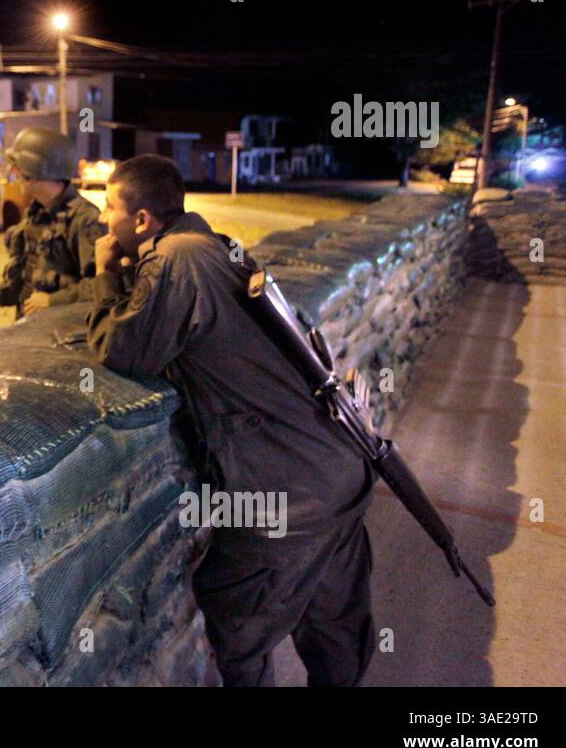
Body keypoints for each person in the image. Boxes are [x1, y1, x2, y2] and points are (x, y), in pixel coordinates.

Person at [86, 153, 376, 686]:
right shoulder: (220, 247)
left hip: (288, 495)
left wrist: (105, 277)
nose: (105, 222)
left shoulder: (177, 259)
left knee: (236, 617)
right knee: (331, 625)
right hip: (336, 470)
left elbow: (124, 348)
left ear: (143, 219)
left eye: (110, 210)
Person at [0, 127, 105, 318]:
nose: (14, 173)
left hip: (62, 330)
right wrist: (9, 292)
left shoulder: (85, 219)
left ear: (36, 170)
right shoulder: (37, 212)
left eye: (18, 168)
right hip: (30, 324)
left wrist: (53, 301)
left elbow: (101, 284)